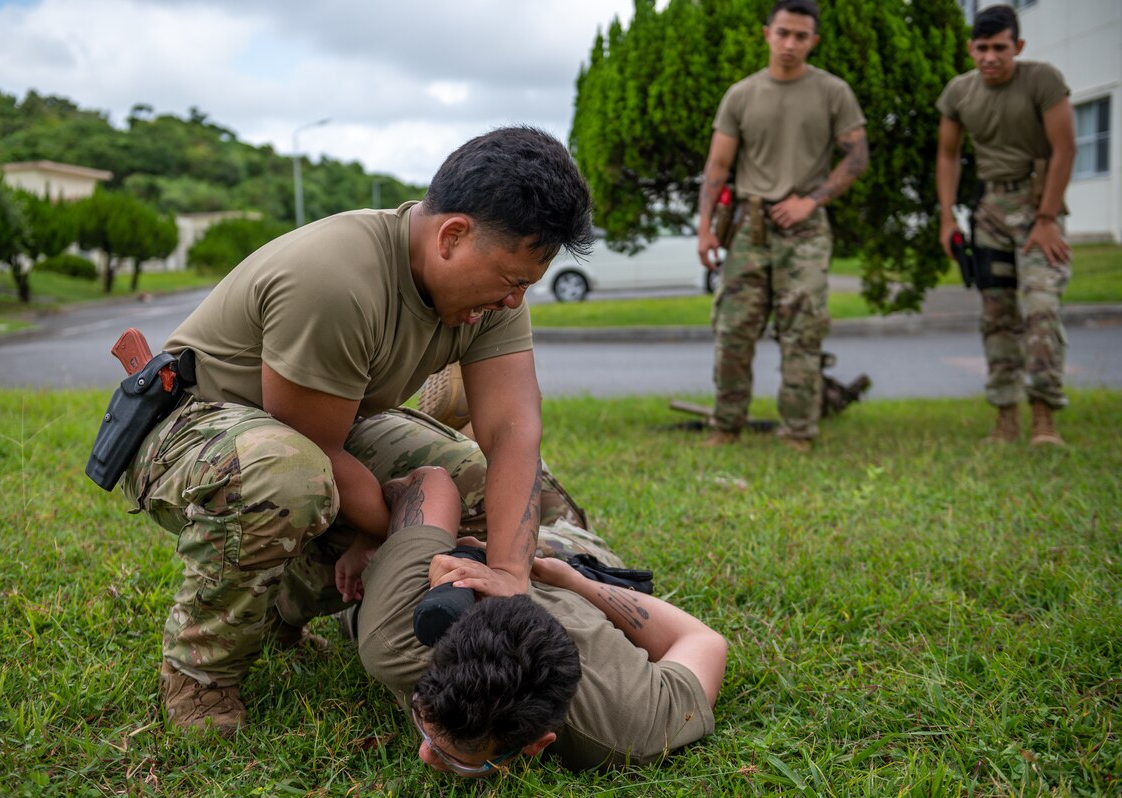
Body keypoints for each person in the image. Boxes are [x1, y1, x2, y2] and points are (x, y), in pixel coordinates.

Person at [118, 126, 594, 734]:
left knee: (479, 480)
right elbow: (312, 444)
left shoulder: (496, 292)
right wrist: (406, 522)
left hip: (320, 433)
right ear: (453, 236)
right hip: (194, 431)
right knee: (288, 477)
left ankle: (288, 601)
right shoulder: (336, 277)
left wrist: (508, 574)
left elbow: (513, 431)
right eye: (511, 281)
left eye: (524, 285)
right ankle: (202, 671)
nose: (512, 301)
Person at [356, 466, 730, 775]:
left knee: (351, 598)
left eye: (459, 760)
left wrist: (572, 581)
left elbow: (702, 640)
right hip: (513, 554)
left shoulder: (627, 727)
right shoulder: (395, 635)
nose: (425, 755)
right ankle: (477, 427)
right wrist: (374, 536)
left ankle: (491, 442)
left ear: (537, 744)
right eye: (422, 720)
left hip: (563, 564)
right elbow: (429, 479)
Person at [695, 0, 868, 453]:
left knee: (802, 331)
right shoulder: (742, 94)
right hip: (749, 228)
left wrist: (811, 201)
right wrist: (706, 229)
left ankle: (798, 432)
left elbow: (857, 157)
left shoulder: (833, 92)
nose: (790, 43)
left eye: (801, 35)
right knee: (732, 330)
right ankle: (726, 425)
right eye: (783, 33)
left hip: (805, 231)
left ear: (814, 40)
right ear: (766, 33)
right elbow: (717, 166)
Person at [936, 5, 1076, 446]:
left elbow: (1065, 148)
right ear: (970, 49)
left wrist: (1049, 218)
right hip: (990, 212)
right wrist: (946, 218)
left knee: (1040, 309)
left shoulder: (1042, 80)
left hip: (1038, 206)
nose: (990, 57)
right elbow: (947, 155)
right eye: (982, 48)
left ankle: (1044, 419)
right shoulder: (959, 92)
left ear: (1017, 46)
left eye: (1000, 48)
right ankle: (1004, 420)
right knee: (997, 316)